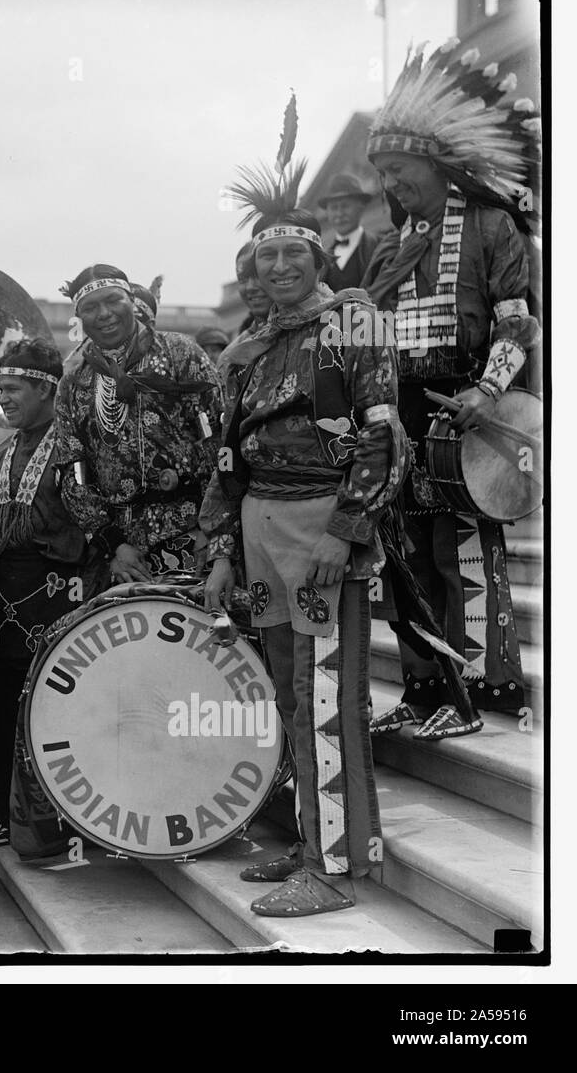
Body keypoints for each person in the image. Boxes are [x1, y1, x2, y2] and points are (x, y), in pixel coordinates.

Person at [201, 130, 406, 916]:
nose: (279, 270)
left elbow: (382, 435)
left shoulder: (353, 321)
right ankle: (308, 837)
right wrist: (221, 551)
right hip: (260, 533)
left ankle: (336, 864)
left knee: (329, 694)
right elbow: (227, 460)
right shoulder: (249, 349)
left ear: (320, 263)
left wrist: (343, 532)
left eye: (294, 258)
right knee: (289, 692)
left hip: (322, 526)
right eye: (264, 262)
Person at [362, 38, 541, 728]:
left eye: (400, 167)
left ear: (435, 165)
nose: (392, 183)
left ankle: (487, 686)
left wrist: (488, 392)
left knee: (460, 546)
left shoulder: (492, 227)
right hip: (400, 409)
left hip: (467, 402)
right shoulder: (389, 245)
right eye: (383, 171)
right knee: (403, 554)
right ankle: (425, 686)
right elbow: (365, 332)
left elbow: (518, 324)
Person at [0, 339, 102, 852]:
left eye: (13, 390)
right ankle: (4, 815)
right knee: (1, 709)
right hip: (3, 608)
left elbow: (89, 522)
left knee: (52, 709)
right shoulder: (4, 452)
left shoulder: (71, 449)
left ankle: (58, 823)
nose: (4, 400)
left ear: (45, 391)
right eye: (1, 390)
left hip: (55, 602)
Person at [53, 263, 223, 581]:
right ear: (79, 317)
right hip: (121, 557)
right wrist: (112, 545)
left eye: (113, 300)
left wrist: (216, 536)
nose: (104, 313)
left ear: (131, 301)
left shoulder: (181, 354)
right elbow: (71, 474)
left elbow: (218, 445)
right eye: (90, 307)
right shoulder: (73, 382)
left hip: (195, 538)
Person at [216, 243, 274, 401]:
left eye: (258, 276)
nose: (250, 287)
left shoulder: (316, 330)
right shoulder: (230, 357)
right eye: (243, 279)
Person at [318, 173, 381, 292]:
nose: (339, 214)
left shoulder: (380, 247)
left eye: (345, 206)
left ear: (361, 207)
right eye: (334, 208)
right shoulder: (322, 260)